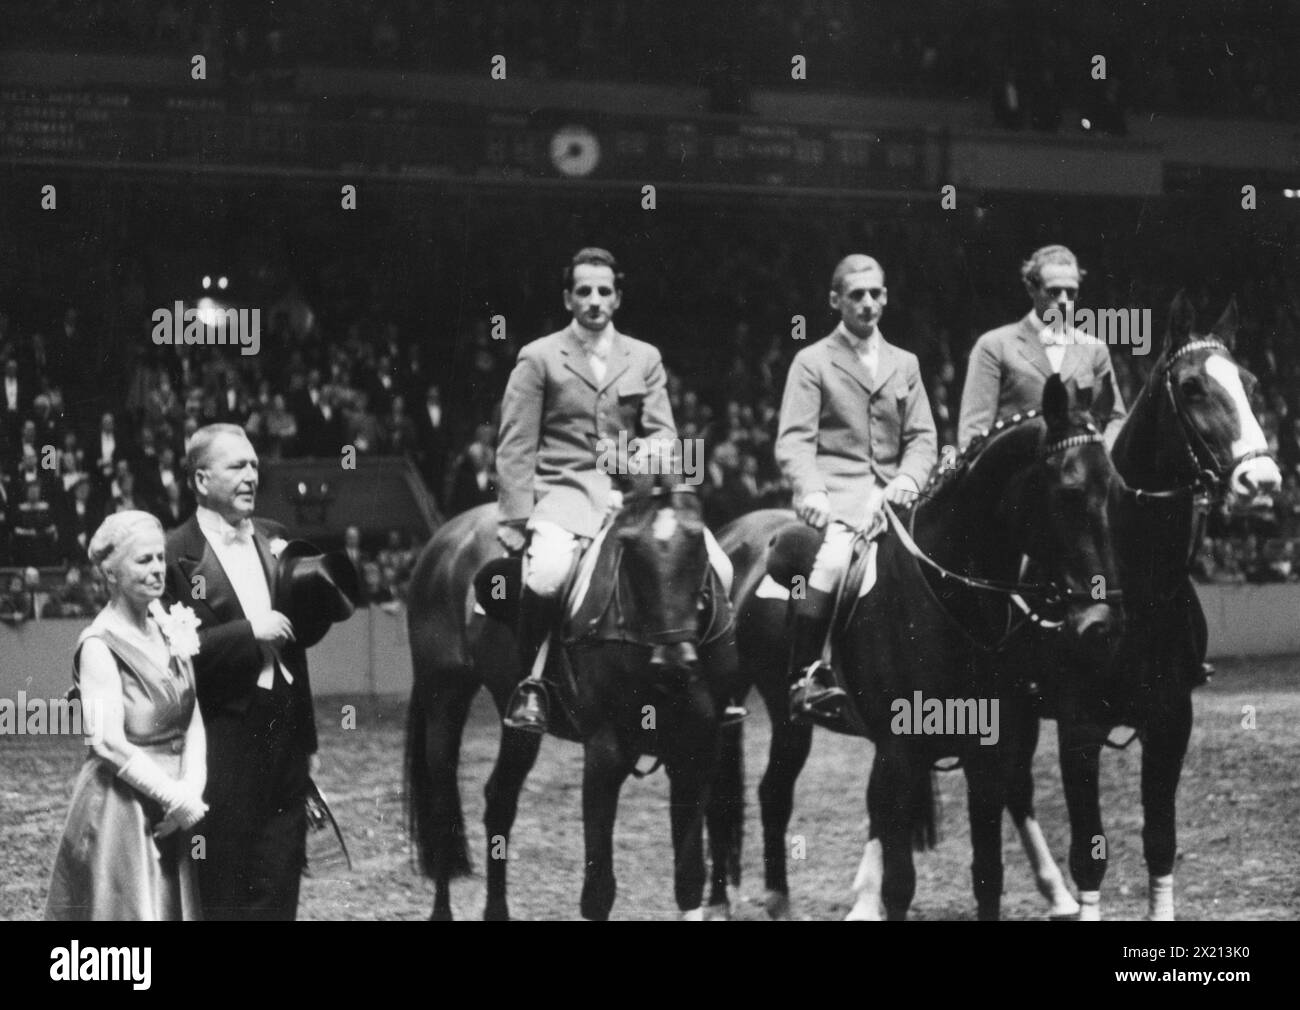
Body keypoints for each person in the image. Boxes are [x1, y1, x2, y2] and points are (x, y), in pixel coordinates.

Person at [495, 247, 739, 734]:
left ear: (617, 298)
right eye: (583, 290)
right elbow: (516, 443)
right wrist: (515, 518)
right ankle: (532, 682)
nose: (594, 299)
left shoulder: (644, 357)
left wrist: (637, 467)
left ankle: (716, 685)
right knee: (547, 574)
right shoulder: (539, 357)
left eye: (604, 291)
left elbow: (665, 436)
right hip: (565, 491)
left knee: (722, 567)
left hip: (635, 495)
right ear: (568, 297)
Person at [163, 423, 317, 919]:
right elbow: (169, 658)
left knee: (280, 880)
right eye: (237, 466)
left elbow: (298, 646)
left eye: (254, 464)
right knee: (223, 880)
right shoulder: (170, 555)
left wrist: (308, 745)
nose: (252, 474)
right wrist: (249, 633)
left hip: (286, 733)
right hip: (220, 739)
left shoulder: (278, 539)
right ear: (202, 480)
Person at [776, 254, 937, 726]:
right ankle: (808, 675)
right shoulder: (812, 361)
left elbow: (923, 437)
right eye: (856, 296)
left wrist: (907, 479)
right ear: (835, 301)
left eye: (875, 294)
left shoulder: (904, 363)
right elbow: (795, 440)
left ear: (885, 297)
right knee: (830, 561)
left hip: (898, 498)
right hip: (838, 495)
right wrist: (812, 491)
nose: (867, 304)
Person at [45, 511, 207, 920]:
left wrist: (191, 790)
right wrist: (175, 799)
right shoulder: (99, 644)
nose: (156, 570)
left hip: (175, 803)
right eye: (143, 561)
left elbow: (193, 715)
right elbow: (106, 742)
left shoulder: (169, 624)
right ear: (111, 573)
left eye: (159, 558)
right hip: (125, 807)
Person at [957, 244, 1126, 451]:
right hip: (1018, 476)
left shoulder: (1094, 349)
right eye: (1054, 292)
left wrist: (1099, 453)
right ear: (1031, 289)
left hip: (1078, 474)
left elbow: (1115, 419)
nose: (1064, 301)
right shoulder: (995, 347)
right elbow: (974, 433)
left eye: (1071, 293)